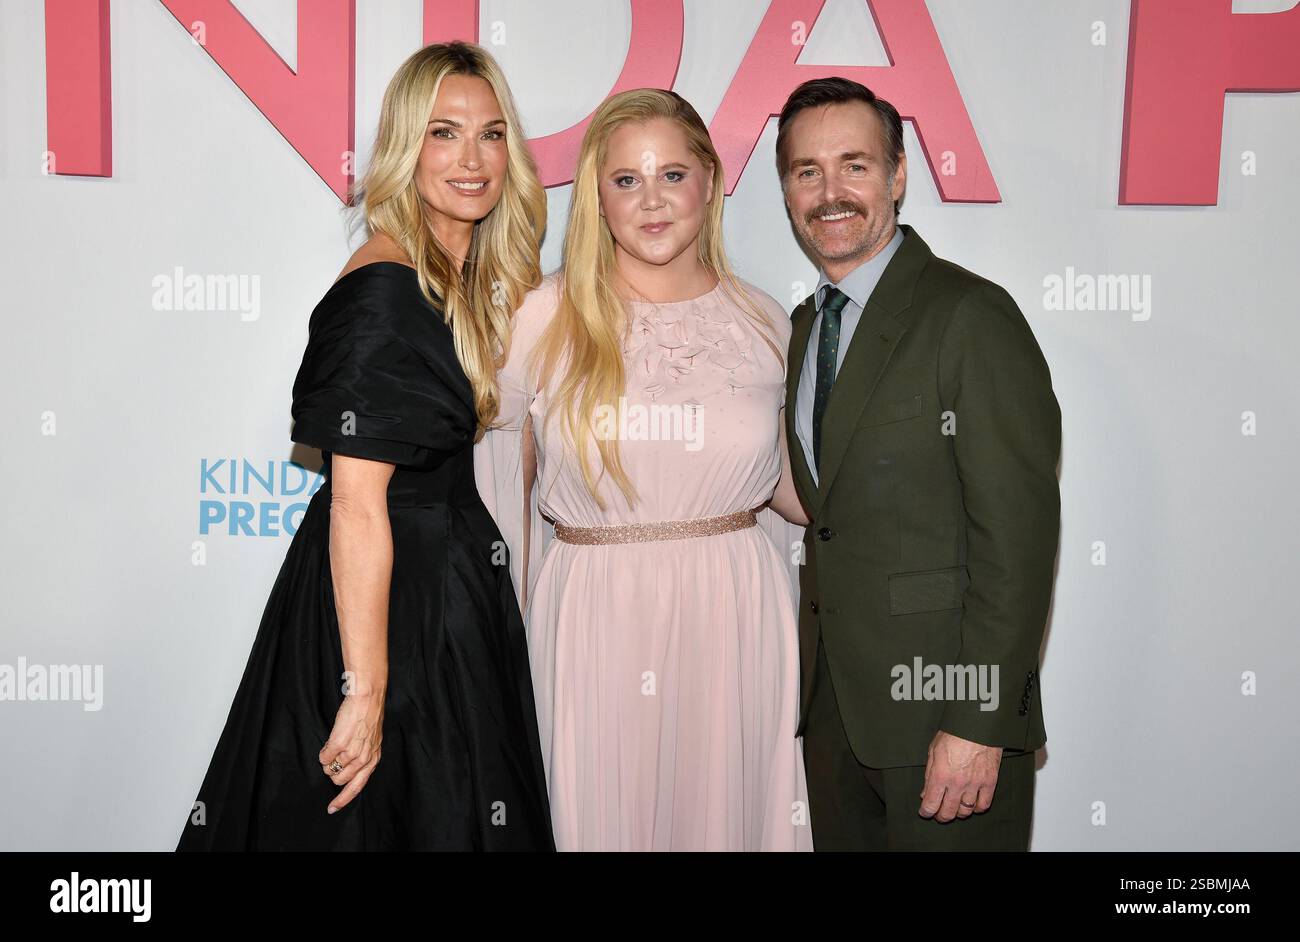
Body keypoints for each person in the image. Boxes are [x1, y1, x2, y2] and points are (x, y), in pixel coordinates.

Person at [177, 42, 554, 851]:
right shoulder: (387, 290)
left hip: (434, 593)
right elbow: (354, 502)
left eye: (491, 135)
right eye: (444, 133)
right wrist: (366, 690)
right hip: (393, 607)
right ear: (405, 148)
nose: (473, 158)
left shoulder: (445, 277)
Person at [476, 89, 813, 851]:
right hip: (594, 614)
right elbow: (500, 495)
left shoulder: (768, 321)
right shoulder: (542, 318)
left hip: (736, 614)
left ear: (710, 181)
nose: (651, 201)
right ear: (596, 195)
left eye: (672, 175)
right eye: (626, 179)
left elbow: (797, 493)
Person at [775, 77, 1061, 851]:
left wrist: (978, 721)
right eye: (807, 171)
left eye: (855, 165)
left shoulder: (969, 315)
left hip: (946, 718)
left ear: (899, 176)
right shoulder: (806, 328)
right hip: (837, 720)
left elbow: (1018, 542)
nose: (830, 192)